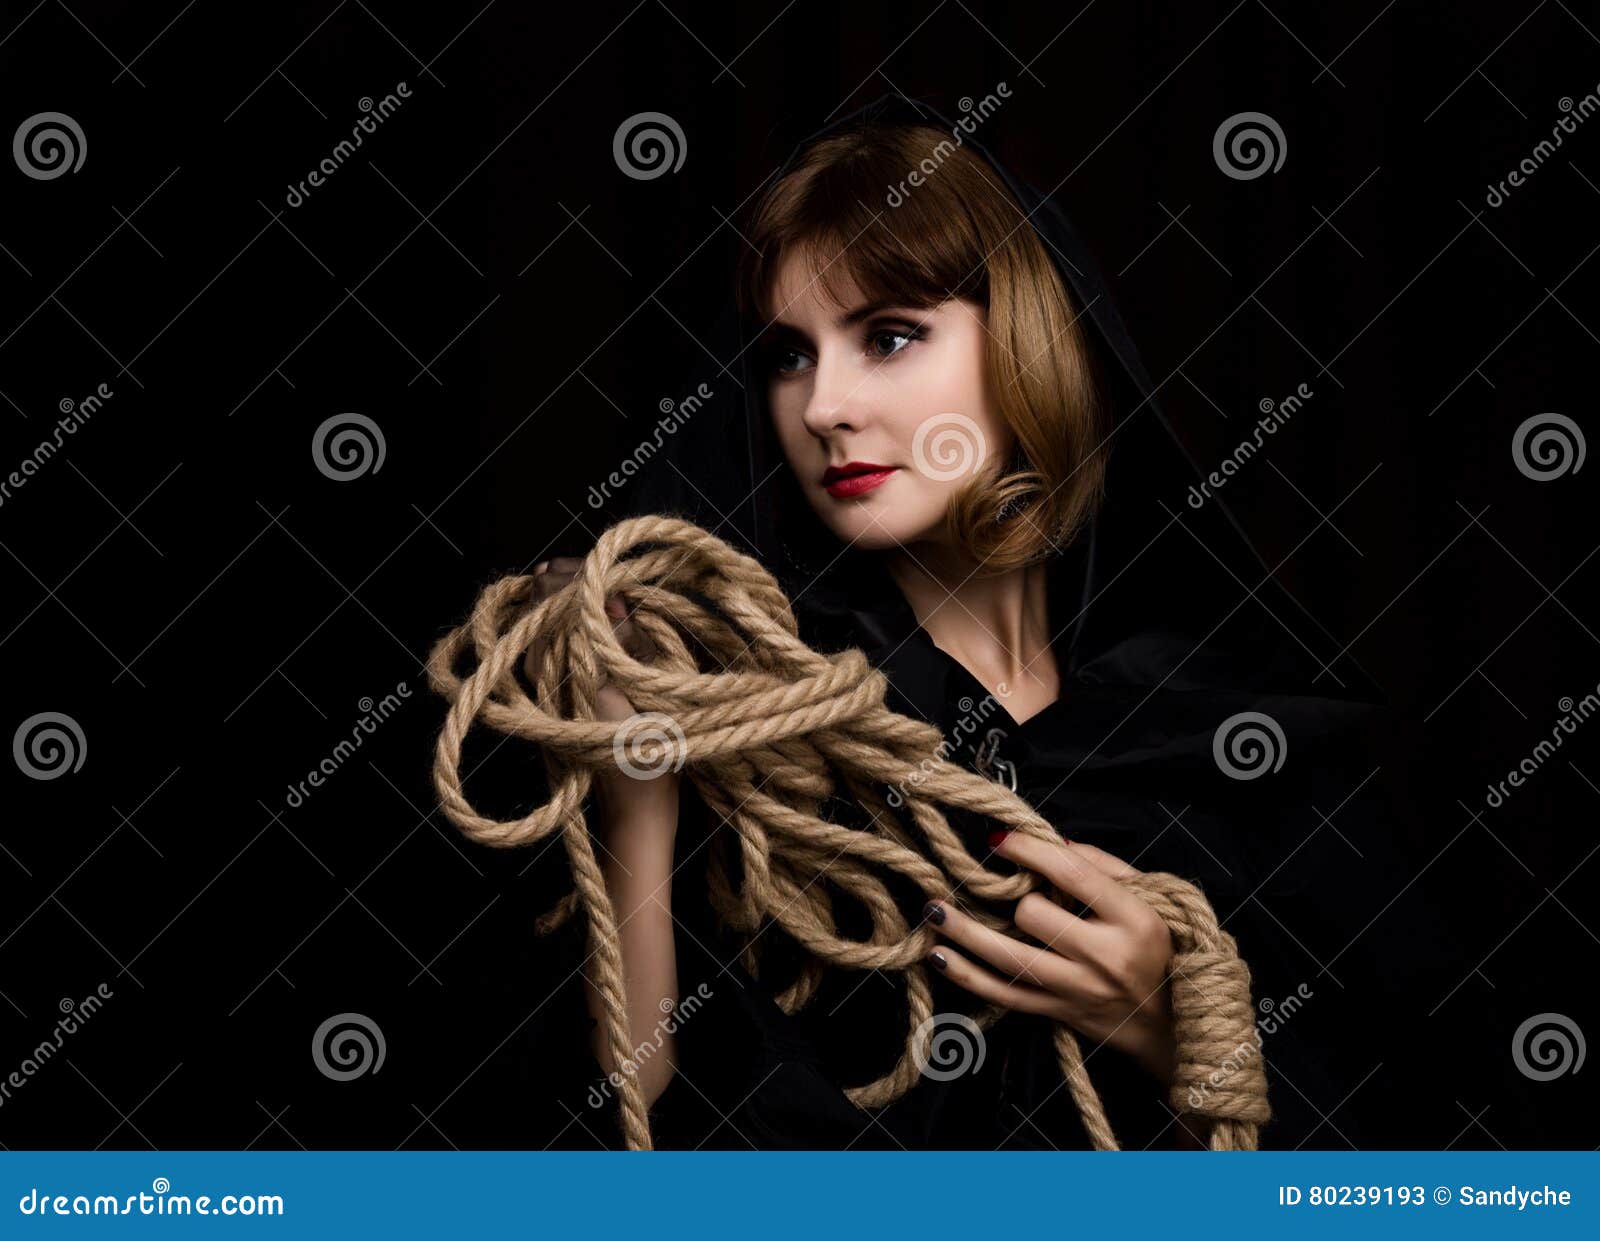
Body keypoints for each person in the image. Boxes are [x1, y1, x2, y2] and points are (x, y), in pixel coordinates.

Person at [506, 94, 1464, 1150]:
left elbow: (1420, 1170)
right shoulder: (745, 725)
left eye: (889, 336)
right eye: (788, 354)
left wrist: (1167, 1029)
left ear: (1024, 343)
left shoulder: (1231, 735)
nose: (822, 406)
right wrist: (637, 812)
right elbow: (611, 1146)